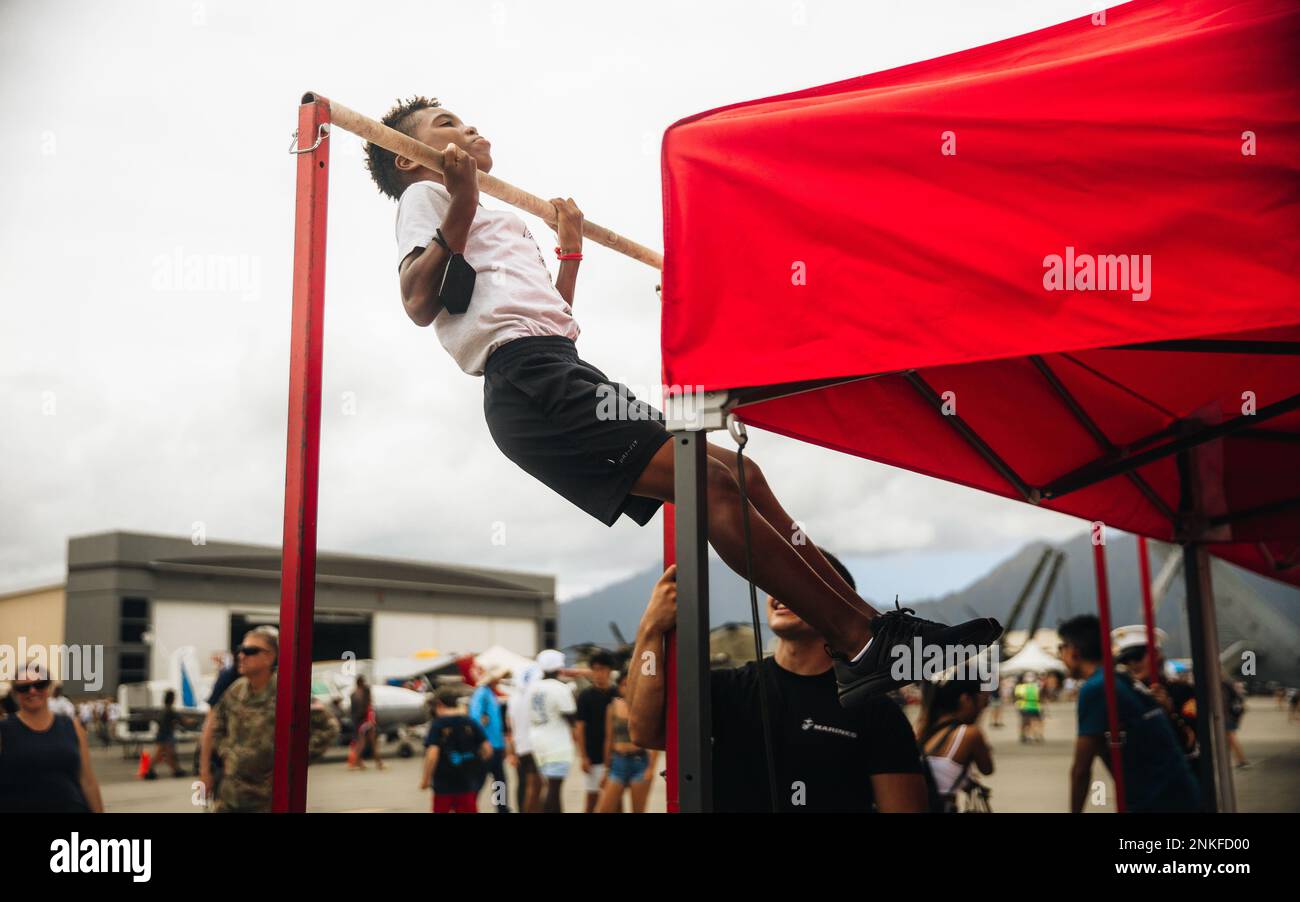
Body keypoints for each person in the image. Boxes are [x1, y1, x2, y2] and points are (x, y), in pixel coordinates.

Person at [365, 97, 1001, 708]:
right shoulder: (429, 196)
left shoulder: (500, 217)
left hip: (560, 367)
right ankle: (861, 642)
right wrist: (463, 199)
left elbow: (549, 318)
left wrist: (570, 251)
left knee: (741, 474)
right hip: (526, 384)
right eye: (448, 123)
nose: (470, 126)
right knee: (710, 487)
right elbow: (419, 303)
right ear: (409, 157)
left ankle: (872, 629)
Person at [629, 556, 929, 813]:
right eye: (775, 582)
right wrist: (651, 627)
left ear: (840, 606)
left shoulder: (877, 712)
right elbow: (644, 730)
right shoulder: (724, 689)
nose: (780, 592)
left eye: (797, 582)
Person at [1059, 615, 1199, 813]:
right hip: (1177, 795)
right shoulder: (1121, 680)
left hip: (1157, 802)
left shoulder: (1097, 687)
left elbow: (1081, 770)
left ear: (1073, 651)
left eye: (1061, 649)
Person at [199, 626, 339, 812]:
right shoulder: (236, 690)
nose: (242, 655)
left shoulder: (288, 692)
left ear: (270, 657)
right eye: (241, 650)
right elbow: (216, 725)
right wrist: (227, 752)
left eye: (250, 651)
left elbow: (329, 727)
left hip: (267, 800)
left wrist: (293, 762)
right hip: (231, 797)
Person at [0, 663, 104, 812]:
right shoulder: (4, 731)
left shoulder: (72, 726)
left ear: (49, 688)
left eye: (39, 685)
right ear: (15, 693)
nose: (32, 691)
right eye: (24, 688)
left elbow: (87, 780)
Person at [915, 679, 994, 813]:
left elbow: (939, 771)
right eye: (983, 702)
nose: (983, 709)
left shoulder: (924, 729)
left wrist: (965, 780)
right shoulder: (970, 733)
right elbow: (987, 769)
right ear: (965, 699)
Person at [595, 670, 658, 813]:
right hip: (618, 762)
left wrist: (651, 768)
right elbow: (609, 739)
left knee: (638, 810)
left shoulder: (645, 707)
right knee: (605, 808)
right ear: (619, 687)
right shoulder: (613, 707)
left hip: (640, 762)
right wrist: (606, 768)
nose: (627, 688)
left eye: (631, 685)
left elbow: (653, 739)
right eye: (624, 685)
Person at [421, 688, 492, 813]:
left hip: (443, 784)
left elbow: (432, 754)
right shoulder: (470, 722)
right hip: (467, 783)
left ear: (439, 704)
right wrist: (475, 766)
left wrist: (426, 779)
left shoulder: (438, 725)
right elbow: (487, 749)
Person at [524, 649, 578, 813]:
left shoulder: (531, 687)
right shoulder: (559, 688)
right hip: (557, 744)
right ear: (559, 668)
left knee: (543, 788)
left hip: (536, 741)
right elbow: (571, 716)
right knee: (554, 790)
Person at [574, 650, 618, 813]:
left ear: (610, 671)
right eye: (595, 669)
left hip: (615, 754)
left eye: (602, 669)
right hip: (593, 754)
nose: (599, 673)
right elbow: (579, 727)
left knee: (616, 800)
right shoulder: (586, 696)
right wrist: (583, 756)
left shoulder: (617, 693)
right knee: (592, 799)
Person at [468, 667, 510, 812]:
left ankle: (502, 808)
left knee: (500, 781)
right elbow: (474, 717)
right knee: (479, 780)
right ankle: (470, 806)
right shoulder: (482, 693)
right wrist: (481, 741)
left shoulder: (490, 693)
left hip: (496, 745)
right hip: (487, 745)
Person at [506, 666, 541, 814]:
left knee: (522, 783)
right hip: (536, 747)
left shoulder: (513, 697)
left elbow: (510, 725)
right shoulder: (536, 696)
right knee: (535, 786)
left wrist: (512, 751)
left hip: (520, 746)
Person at [146, 689, 186, 779]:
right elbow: (182, 720)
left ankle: (176, 770)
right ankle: (176, 770)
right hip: (166, 736)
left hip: (162, 734)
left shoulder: (163, 710)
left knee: (166, 754)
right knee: (167, 754)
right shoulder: (170, 710)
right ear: (172, 699)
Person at [348, 674, 384, 771]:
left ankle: (360, 763)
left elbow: (352, 711)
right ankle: (378, 763)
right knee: (371, 743)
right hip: (367, 720)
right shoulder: (366, 691)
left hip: (359, 722)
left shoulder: (353, 694)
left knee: (362, 743)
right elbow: (369, 704)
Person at [1223, 680, 1250, 769]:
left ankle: (1242, 760)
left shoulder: (1228, 695)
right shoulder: (1238, 696)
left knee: (1231, 738)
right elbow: (1242, 709)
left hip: (1228, 718)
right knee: (1230, 739)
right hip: (1233, 718)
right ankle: (1227, 759)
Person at [1014, 673, 1043, 743]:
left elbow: (1017, 696)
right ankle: (1027, 735)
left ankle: (1030, 735)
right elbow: (1017, 696)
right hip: (1027, 706)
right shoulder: (1036, 686)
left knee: (1030, 722)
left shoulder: (1035, 686)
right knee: (1028, 722)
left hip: (1031, 706)